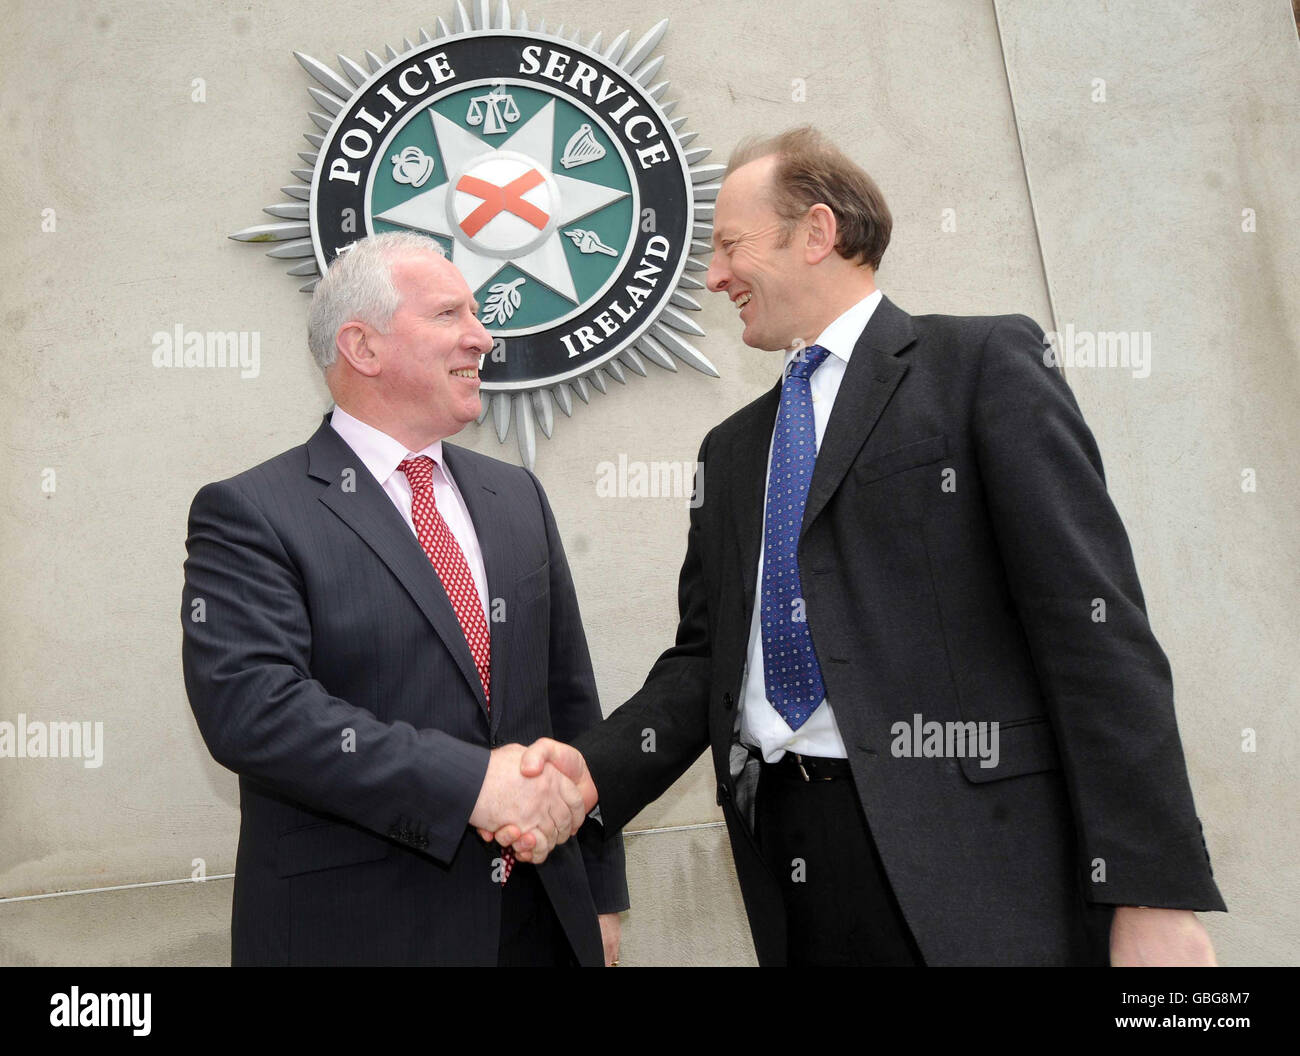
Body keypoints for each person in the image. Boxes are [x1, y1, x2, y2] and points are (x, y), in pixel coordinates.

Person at [490, 126, 1226, 966]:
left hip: (980, 868)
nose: (715, 275)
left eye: (729, 245)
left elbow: (1096, 637)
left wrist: (1153, 890)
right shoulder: (730, 453)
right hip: (795, 862)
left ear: (816, 233)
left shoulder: (981, 366)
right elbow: (704, 665)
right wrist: (589, 776)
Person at [181, 231, 627, 966]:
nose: (482, 336)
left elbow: (569, 701)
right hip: (361, 931)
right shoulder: (253, 512)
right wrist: (469, 784)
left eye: (477, 314)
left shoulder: (515, 496)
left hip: (541, 923)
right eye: (451, 315)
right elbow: (252, 710)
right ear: (363, 346)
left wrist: (602, 892)